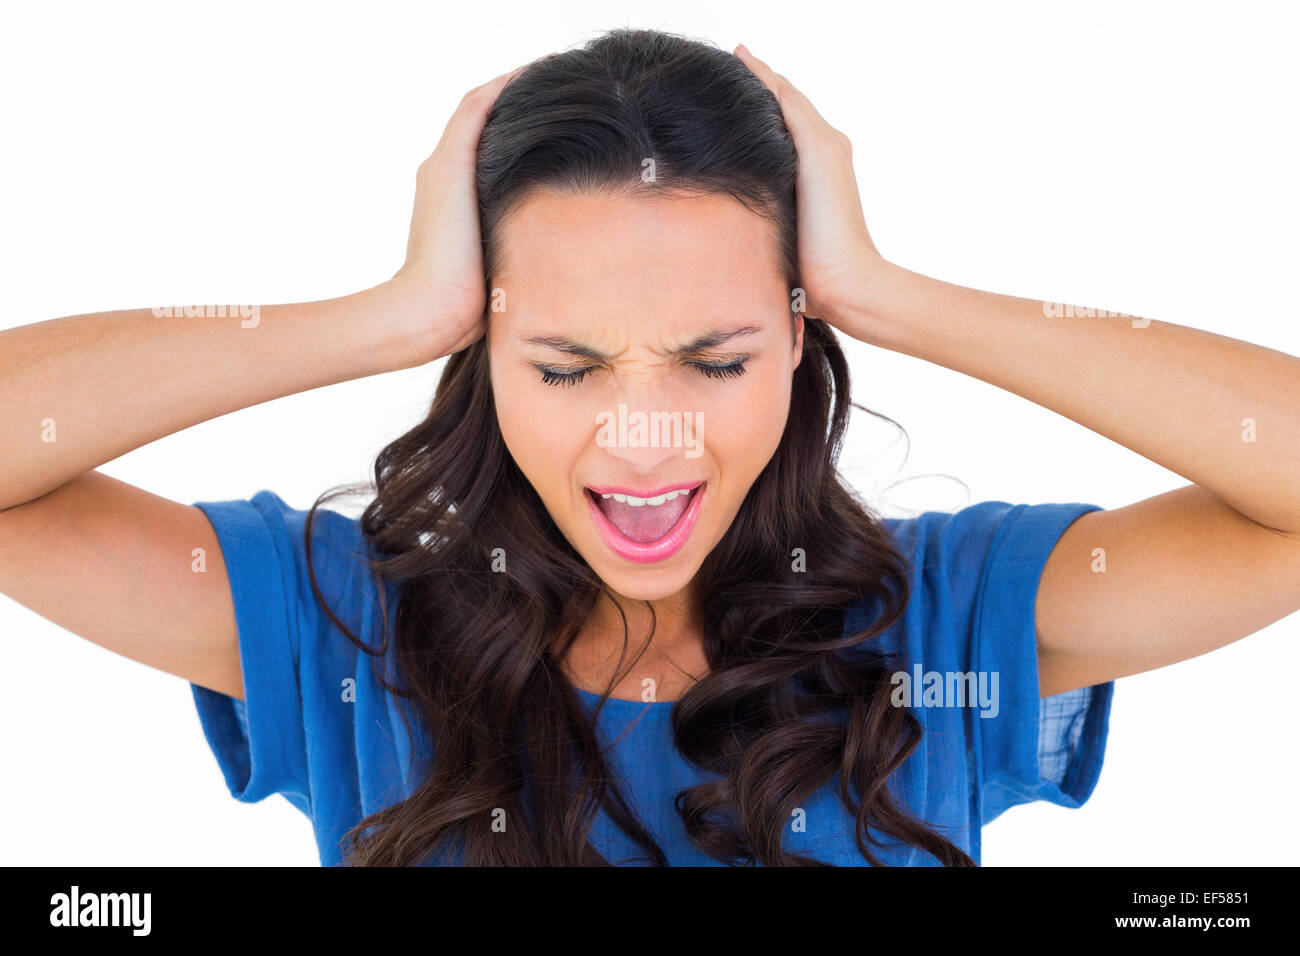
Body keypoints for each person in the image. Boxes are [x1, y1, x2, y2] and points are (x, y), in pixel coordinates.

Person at [2, 28, 1298, 866]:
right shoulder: (342, 623)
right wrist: (383, 317)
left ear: (801, 334)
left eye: (715, 358)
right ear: (486, 349)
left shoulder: (946, 620)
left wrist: (893, 294)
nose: (644, 432)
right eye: (565, 366)